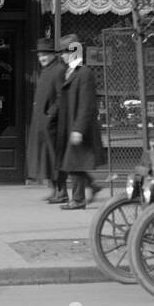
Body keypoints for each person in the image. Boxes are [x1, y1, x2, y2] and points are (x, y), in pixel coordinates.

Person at [57, 33, 106, 210]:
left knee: (73, 164)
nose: (62, 55)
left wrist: (78, 129)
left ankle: (78, 200)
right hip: (70, 125)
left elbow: (87, 104)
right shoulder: (69, 72)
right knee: (72, 164)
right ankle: (90, 188)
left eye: (65, 52)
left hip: (79, 127)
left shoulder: (84, 73)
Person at [24, 38, 66, 203]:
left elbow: (61, 97)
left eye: (45, 54)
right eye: (40, 54)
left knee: (54, 158)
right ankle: (54, 190)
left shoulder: (58, 70)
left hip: (52, 124)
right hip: (42, 123)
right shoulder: (47, 70)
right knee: (46, 159)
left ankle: (61, 193)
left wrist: (50, 115)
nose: (42, 57)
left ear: (52, 55)